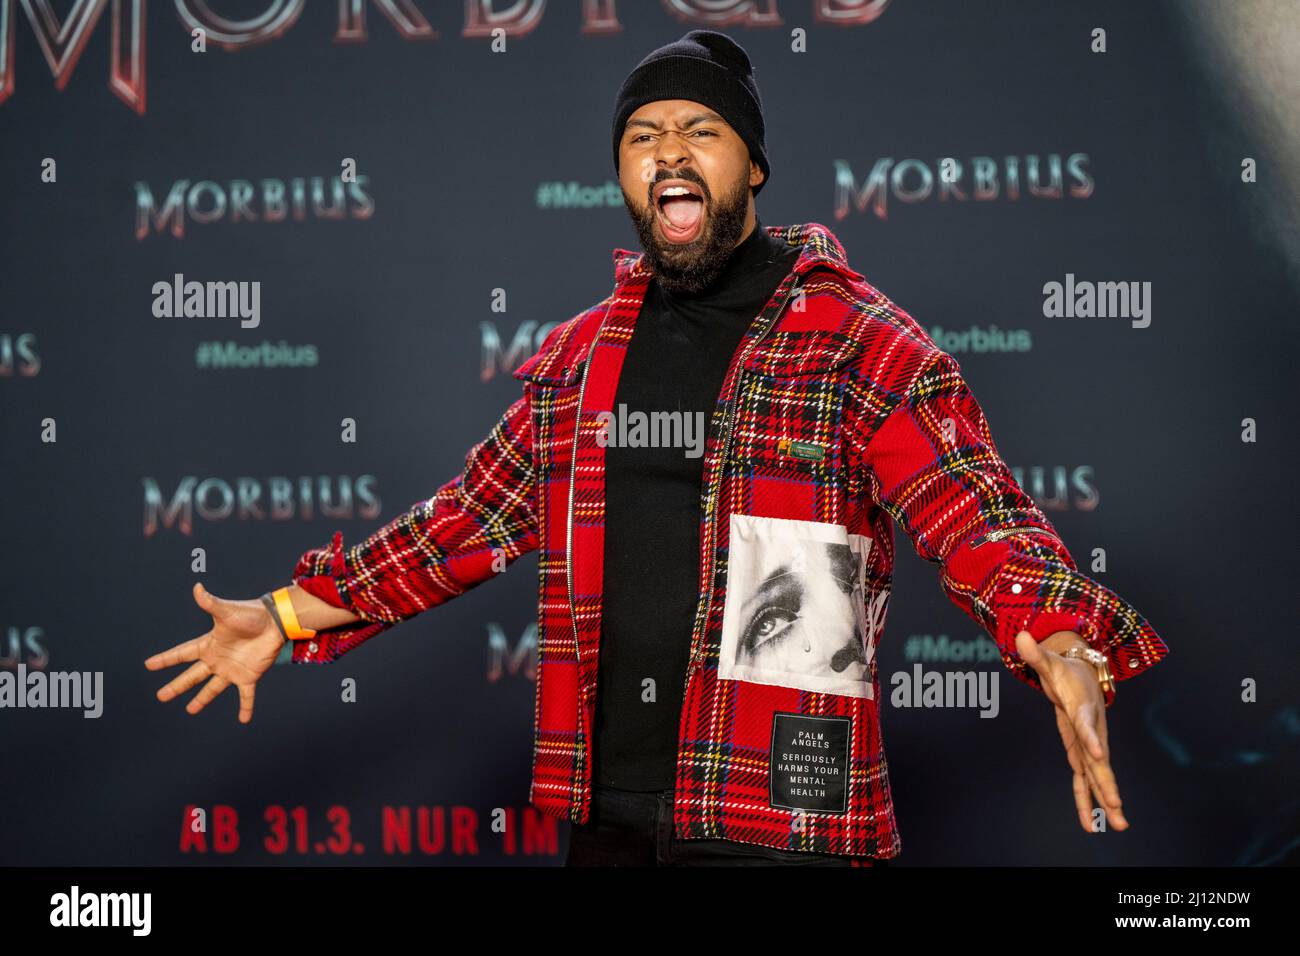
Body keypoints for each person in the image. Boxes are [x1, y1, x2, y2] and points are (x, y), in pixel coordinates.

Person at [145, 30, 1170, 867]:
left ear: (753, 165)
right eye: (642, 135)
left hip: (780, 810)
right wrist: (285, 612)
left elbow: (970, 509)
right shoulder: (583, 358)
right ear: (626, 177)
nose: (668, 150)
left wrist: (1061, 637)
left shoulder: (860, 343)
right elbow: (464, 523)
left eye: (700, 129)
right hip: (609, 812)